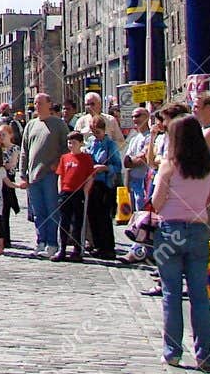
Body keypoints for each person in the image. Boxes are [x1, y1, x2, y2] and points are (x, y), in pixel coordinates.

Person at [151, 114, 210, 370]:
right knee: (199, 296)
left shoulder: (169, 165)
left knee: (171, 293)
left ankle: (172, 351)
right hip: (198, 229)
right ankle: (204, 354)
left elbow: (156, 202)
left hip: (170, 230)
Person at [20, 93, 68, 258]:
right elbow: (24, 150)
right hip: (33, 175)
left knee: (52, 209)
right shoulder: (31, 125)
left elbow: (66, 148)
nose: (37, 106)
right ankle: (40, 240)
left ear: (49, 104)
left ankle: (52, 243)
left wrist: (57, 164)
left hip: (50, 174)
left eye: (40, 103)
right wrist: (22, 172)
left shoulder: (58, 124)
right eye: (35, 103)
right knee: (38, 211)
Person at [55, 131, 94, 262]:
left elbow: (90, 176)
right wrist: (60, 191)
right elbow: (60, 175)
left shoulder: (86, 158)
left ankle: (77, 250)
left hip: (78, 193)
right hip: (65, 192)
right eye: (69, 143)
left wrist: (85, 191)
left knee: (78, 222)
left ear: (81, 143)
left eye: (74, 143)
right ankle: (62, 248)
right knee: (64, 222)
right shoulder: (64, 158)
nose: (71, 145)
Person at [85, 117, 120, 260]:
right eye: (93, 132)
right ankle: (98, 245)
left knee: (104, 217)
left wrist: (105, 168)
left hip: (105, 184)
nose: (95, 135)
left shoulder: (110, 144)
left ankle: (108, 248)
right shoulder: (91, 143)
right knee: (92, 215)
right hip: (92, 183)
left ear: (104, 130)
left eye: (97, 132)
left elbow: (117, 165)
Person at [122, 108, 152, 211]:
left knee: (143, 213)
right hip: (133, 182)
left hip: (145, 181)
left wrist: (132, 161)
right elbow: (126, 163)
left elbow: (143, 159)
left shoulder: (150, 136)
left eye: (138, 115)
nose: (135, 119)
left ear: (147, 116)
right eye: (133, 116)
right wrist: (126, 186)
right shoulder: (134, 138)